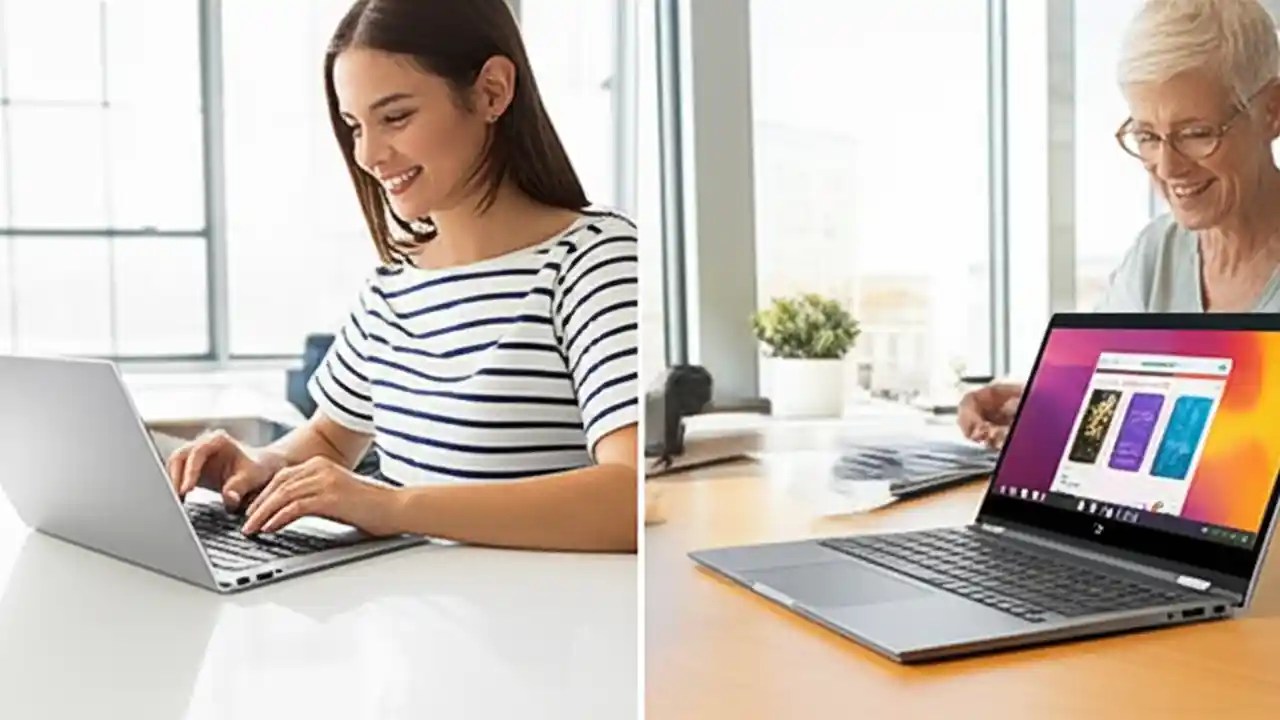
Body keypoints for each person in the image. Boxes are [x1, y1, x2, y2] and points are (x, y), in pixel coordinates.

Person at [166, 0, 638, 552]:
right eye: (353, 126)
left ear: (492, 91)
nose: (368, 154)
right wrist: (260, 467)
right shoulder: (393, 286)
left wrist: (392, 505)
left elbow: (628, 497)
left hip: (541, 629)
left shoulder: (594, 261)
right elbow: (328, 437)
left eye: (395, 117)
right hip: (407, 623)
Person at [960, 0, 1280, 449]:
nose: (1167, 168)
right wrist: (1033, 407)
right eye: (1147, 136)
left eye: (1196, 132)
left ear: (1272, 110)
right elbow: (1102, 396)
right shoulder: (1156, 253)